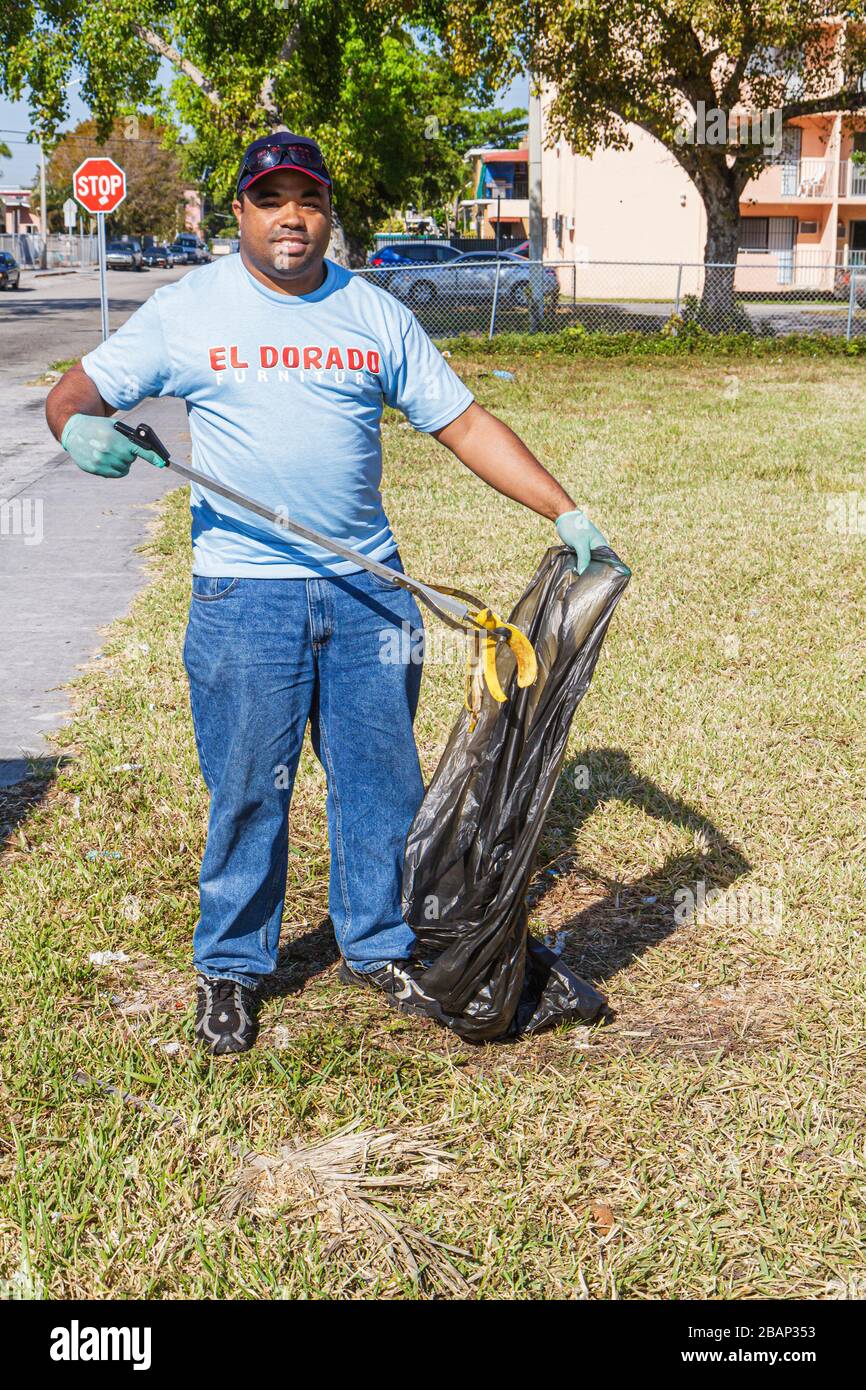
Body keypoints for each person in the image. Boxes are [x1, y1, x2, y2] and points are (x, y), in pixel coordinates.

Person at [46, 131, 608, 1055]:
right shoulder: (186, 309)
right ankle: (231, 966)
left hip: (368, 594)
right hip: (244, 597)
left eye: (307, 199)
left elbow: (464, 423)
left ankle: (379, 944)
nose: (291, 217)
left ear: (328, 211)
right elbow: (74, 393)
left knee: (382, 786)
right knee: (246, 790)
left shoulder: (374, 314)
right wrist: (78, 433)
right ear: (241, 214)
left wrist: (564, 510)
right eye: (271, 200)